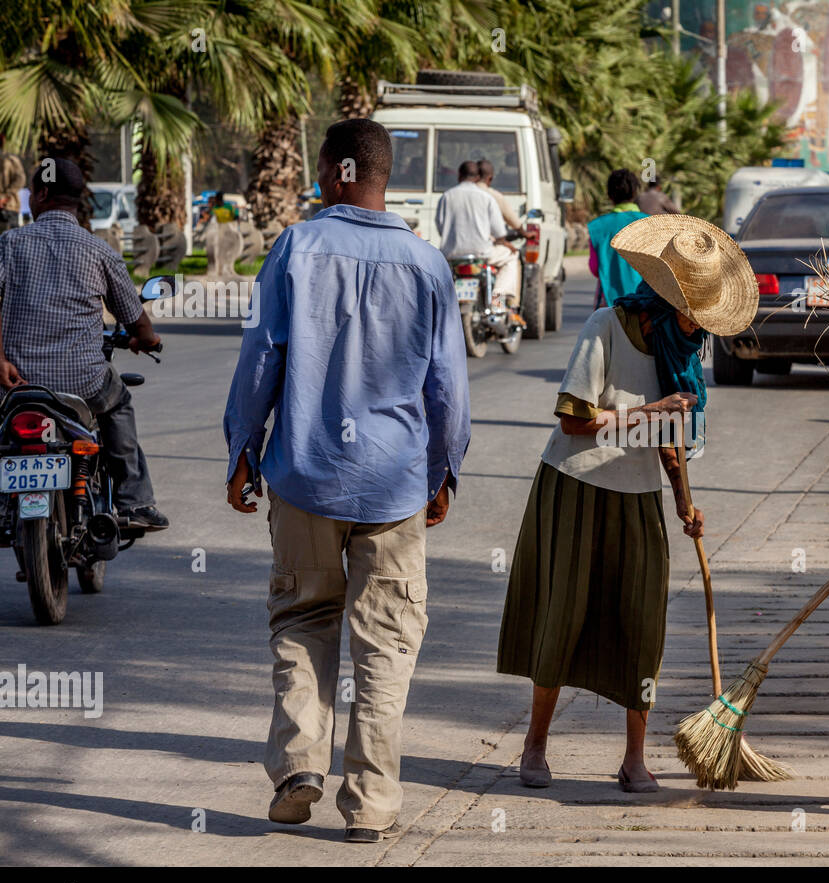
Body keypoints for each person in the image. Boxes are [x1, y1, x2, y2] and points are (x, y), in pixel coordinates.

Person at [223, 118, 471, 843]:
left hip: (303, 473)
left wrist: (244, 447)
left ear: (336, 171)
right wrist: (442, 471)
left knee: (302, 618)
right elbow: (448, 389)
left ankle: (300, 765)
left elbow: (262, 358)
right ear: (380, 176)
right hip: (393, 484)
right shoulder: (428, 264)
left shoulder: (297, 246)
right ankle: (369, 805)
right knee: (386, 643)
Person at [497, 215, 757, 793]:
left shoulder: (681, 351)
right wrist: (646, 413)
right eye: (697, 315)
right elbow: (572, 420)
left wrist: (685, 503)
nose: (701, 330)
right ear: (668, 300)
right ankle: (535, 746)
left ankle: (634, 758)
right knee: (560, 618)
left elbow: (673, 438)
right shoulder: (605, 326)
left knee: (642, 628)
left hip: (639, 500)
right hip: (576, 489)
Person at [0, 157, 167, 531]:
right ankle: (134, 501)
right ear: (77, 200)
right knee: (118, 402)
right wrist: (147, 339)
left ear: (40, 195)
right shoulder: (100, 251)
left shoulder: (9, 243)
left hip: (17, 383)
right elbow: (134, 318)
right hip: (83, 384)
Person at [435, 160, 519, 309]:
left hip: (452, 256)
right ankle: (497, 300)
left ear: (459, 176)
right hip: (482, 255)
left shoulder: (447, 196)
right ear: (478, 177)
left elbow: (441, 227)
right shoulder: (486, 198)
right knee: (512, 256)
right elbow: (499, 233)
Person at [586, 169, 648, 308]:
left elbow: (595, 268)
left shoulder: (598, 227)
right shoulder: (649, 223)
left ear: (609, 195)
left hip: (610, 302)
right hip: (645, 303)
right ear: (634, 193)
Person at [475, 159, 523, 232]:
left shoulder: (458, 194)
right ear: (490, 178)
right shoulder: (494, 196)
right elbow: (515, 223)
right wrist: (524, 232)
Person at [0, 134, 24, 233]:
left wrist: (4, 197)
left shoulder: (10, 160)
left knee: (11, 242)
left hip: (9, 207)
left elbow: (20, 179)